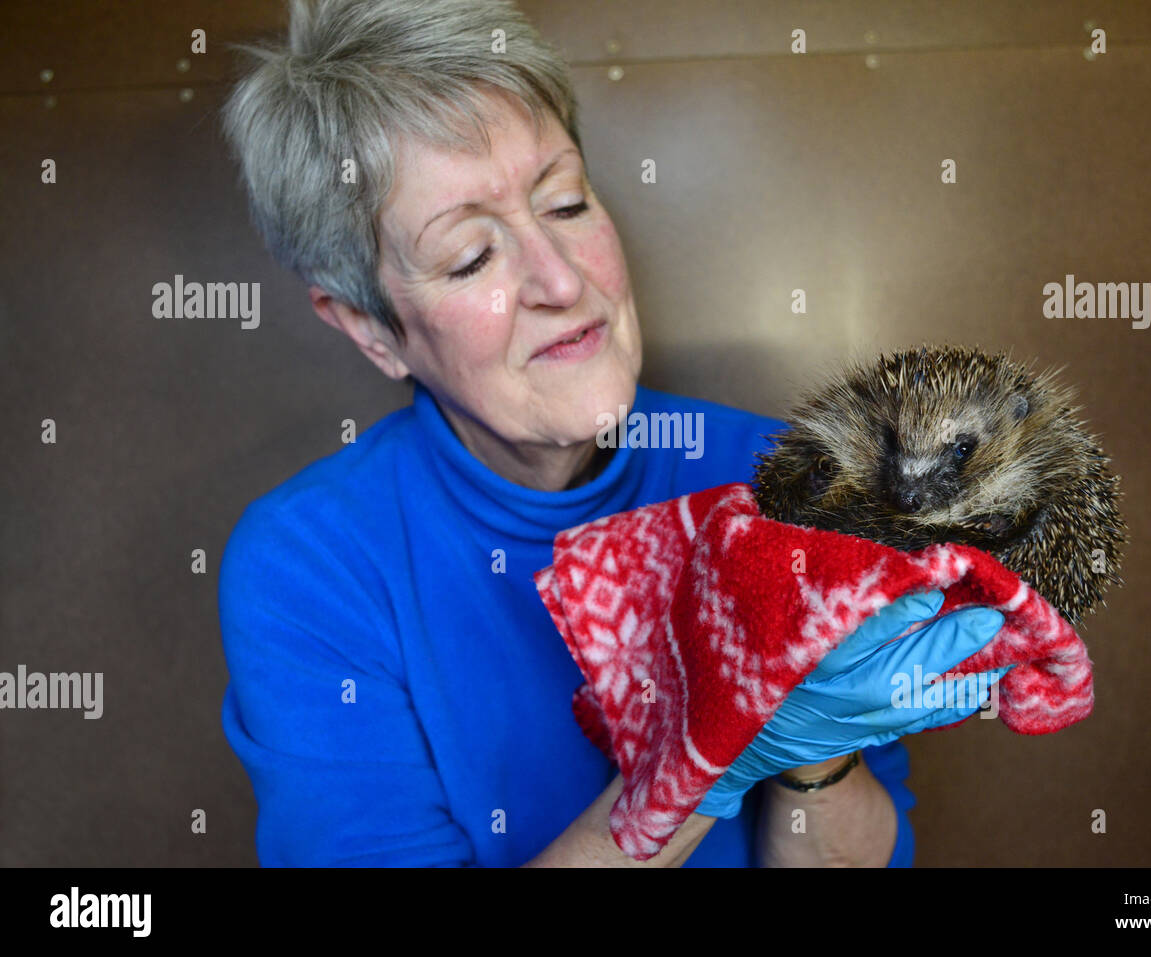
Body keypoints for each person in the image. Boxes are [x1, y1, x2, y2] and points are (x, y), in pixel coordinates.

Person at [216, 0, 1005, 867]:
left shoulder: (774, 475)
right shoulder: (312, 567)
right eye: (471, 256)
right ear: (369, 329)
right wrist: (719, 728)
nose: (560, 280)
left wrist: (817, 750)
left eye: (565, 202)